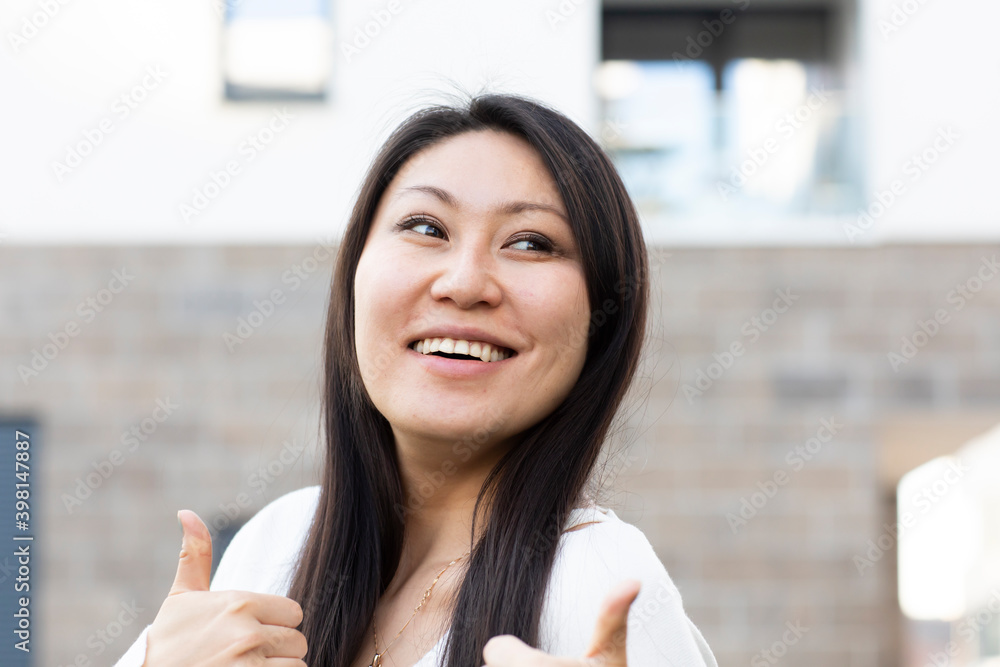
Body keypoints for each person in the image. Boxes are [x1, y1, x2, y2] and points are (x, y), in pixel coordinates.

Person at [114, 92, 718, 667]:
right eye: (427, 228)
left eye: (531, 242)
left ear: (601, 318)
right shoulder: (277, 541)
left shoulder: (604, 580)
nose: (464, 283)